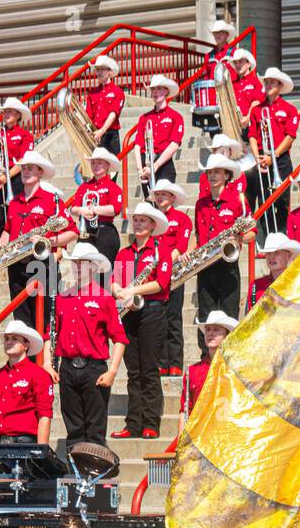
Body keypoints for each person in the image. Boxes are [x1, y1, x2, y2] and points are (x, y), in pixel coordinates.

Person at [46, 243, 128, 449]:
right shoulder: (62, 298)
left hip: (94, 368)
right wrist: (48, 364)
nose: (78, 267)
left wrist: (113, 371)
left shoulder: (105, 298)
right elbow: (50, 333)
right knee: (73, 427)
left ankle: (95, 476)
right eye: (75, 263)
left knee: (95, 428)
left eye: (83, 263)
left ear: (93, 267)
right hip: (67, 367)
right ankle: (77, 474)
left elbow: (119, 338)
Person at [0, 151, 76, 329]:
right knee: (22, 322)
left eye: (30, 169)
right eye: (23, 169)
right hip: (16, 266)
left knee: (44, 322)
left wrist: (49, 242)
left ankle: (45, 357)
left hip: (42, 265)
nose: (25, 172)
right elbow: (8, 232)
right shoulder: (14, 203)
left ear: (40, 173)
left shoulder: (52, 200)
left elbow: (73, 232)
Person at [109, 203, 173, 441]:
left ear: (153, 225)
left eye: (142, 221)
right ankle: (132, 423)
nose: (137, 224)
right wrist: (118, 291)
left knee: (148, 369)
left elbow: (161, 284)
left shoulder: (160, 251)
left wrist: (132, 289)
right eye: (135, 220)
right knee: (133, 371)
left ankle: (150, 423)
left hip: (152, 312)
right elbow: (115, 280)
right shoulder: (124, 253)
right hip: (129, 312)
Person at [192, 153, 255, 351]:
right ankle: (206, 361)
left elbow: (252, 232)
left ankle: (229, 360)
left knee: (229, 318)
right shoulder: (200, 204)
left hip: (228, 267)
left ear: (227, 175)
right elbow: (197, 235)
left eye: (217, 172)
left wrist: (239, 239)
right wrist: (188, 253)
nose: (212, 176)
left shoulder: (238, 200)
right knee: (205, 317)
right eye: (210, 172)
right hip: (205, 267)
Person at [0, 321, 54, 461]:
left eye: (14, 339)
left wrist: (41, 455)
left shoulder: (39, 375)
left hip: (24, 445)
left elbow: (44, 416)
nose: (9, 342)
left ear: (26, 345)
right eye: (7, 338)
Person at [247, 68, 298, 236]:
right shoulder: (257, 109)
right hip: (261, 159)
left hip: (280, 160)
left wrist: (273, 156)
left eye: (272, 82)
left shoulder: (290, 109)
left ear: (280, 85)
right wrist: (257, 157)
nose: (268, 85)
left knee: (282, 201)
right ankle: (269, 237)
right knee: (264, 200)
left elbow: (290, 136)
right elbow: (252, 135)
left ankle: (282, 235)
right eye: (266, 82)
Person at [151, 180, 192, 377]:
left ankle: (175, 364)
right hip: (155, 274)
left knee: (173, 318)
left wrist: (164, 263)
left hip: (174, 273)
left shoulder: (182, 219)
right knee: (158, 319)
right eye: (157, 194)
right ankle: (161, 363)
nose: (159, 198)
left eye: (164, 195)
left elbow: (182, 246)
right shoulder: (151, 219)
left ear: (172, 198)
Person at [68, 148, 125, 276]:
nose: (95, 166)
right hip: (86, 232)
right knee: (82, 273)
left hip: (105, 232)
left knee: (103, 274)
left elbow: (116, 209)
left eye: (99, 162)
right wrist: (82, 210)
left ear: (107, 165)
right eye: (93, 163)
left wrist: (94, 210)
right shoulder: (84, 186)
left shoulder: (113, 187)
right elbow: (73, 208)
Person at [136, 75, 185, 201]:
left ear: (166, 91)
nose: (155, 92)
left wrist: (156, 165)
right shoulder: (144, 118)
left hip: (163, 163)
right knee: (149, 206)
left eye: (159, 88)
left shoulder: (176, 117)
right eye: (153, 89)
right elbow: (137, 145)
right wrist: (140, 170)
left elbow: (174, 144)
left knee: (164, 203)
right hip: (146, 163)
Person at [0, 98, 34, 222]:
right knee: (1, 211)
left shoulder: (25, 135)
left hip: (17, 176)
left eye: (9, 111)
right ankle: (2, 238)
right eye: (4, 112)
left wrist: (7, 176)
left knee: (18, 210)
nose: (6, 114)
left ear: (18, 114)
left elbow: (24, 159)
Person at [183, 310, 237, 417]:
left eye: (216, 329)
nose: (210, 333)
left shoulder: (236, 370)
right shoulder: (193, 371)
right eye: (207, 329)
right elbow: (184, 411)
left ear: (226, 336)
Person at [194, 20, 238, 136]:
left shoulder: (234, 52)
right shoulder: (209, 55)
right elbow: (207, 77)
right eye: (215, 33)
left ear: (227, 35)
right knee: (216, 133)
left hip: (230, 95)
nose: (217, 35)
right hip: (215, 97)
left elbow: (237, 75)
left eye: (220, 33)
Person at [248, 231, 300, 310]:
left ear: (288, 255)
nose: (271, 257)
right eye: (268, 253)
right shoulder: (256, 286)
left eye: (276, 253)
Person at [84, 55, 126, 155]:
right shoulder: (92, 93)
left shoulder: (117, 91)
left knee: (111, 169)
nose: (99, 72)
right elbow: (88, 116)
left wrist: (101, 131)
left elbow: (113, 114)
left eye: (102, 69)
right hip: (95, 134)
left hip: (110, 135)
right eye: (97, 70)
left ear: (110, 72)